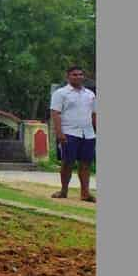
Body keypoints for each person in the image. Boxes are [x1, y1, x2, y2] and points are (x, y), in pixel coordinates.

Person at [50, 66, 97, 202]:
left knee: (86, 163)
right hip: (69, 132)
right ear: (68, 77)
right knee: (67, 162)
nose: (78, 77)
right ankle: (63, 191)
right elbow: (55, 113)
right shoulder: (61, 93)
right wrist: (59, 133)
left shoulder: (90, 94)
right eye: (74, 75)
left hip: (88, 134)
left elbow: (94, 114)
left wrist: (96, 131)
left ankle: (85, 193)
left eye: (80, 74)